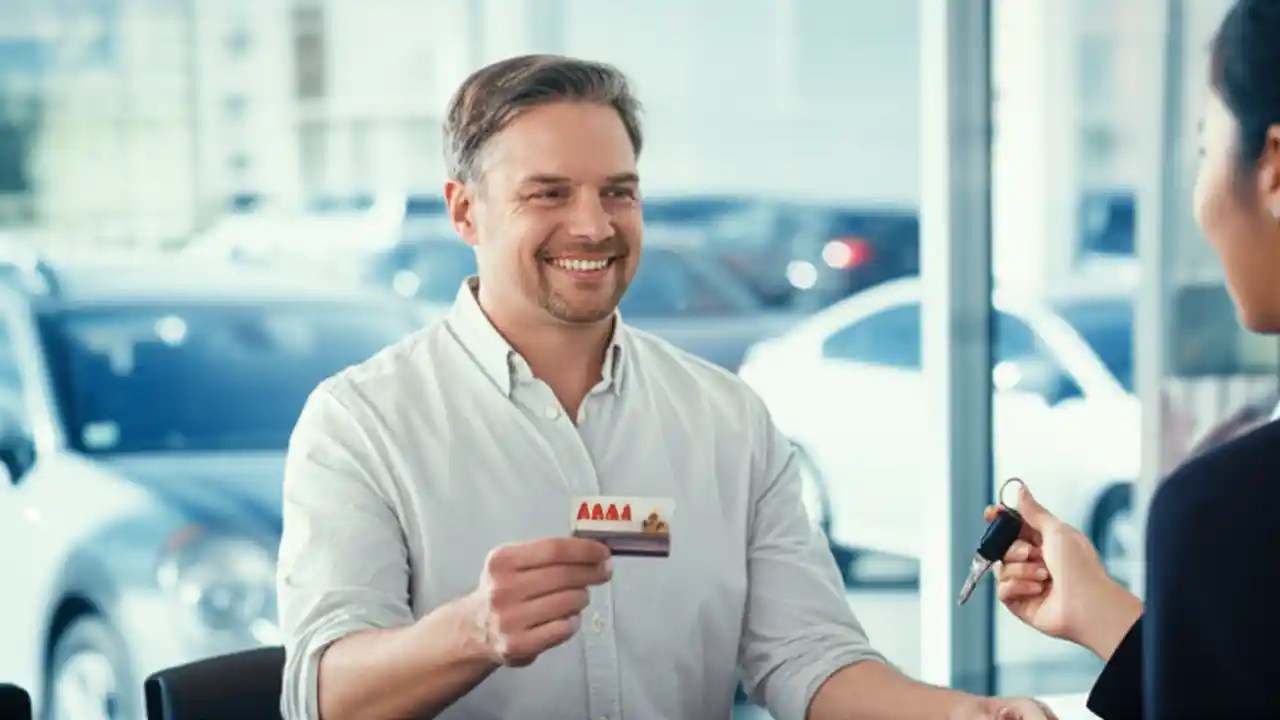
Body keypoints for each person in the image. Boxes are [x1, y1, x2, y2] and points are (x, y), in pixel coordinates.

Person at [276, 54, 1053, 720]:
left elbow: (809, 657)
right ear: (465, 212)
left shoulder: (725, 419)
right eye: (548, 193)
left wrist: (961, 712)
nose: (594, 225)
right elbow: (320, 696)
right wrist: (472, 632)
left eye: (617, 191)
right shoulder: (361, 423)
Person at [989, 2, 1280, 717]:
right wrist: (1103, 615)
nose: (1201, 200)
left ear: (1274, 170)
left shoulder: (1230, 513)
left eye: (1207, 149)